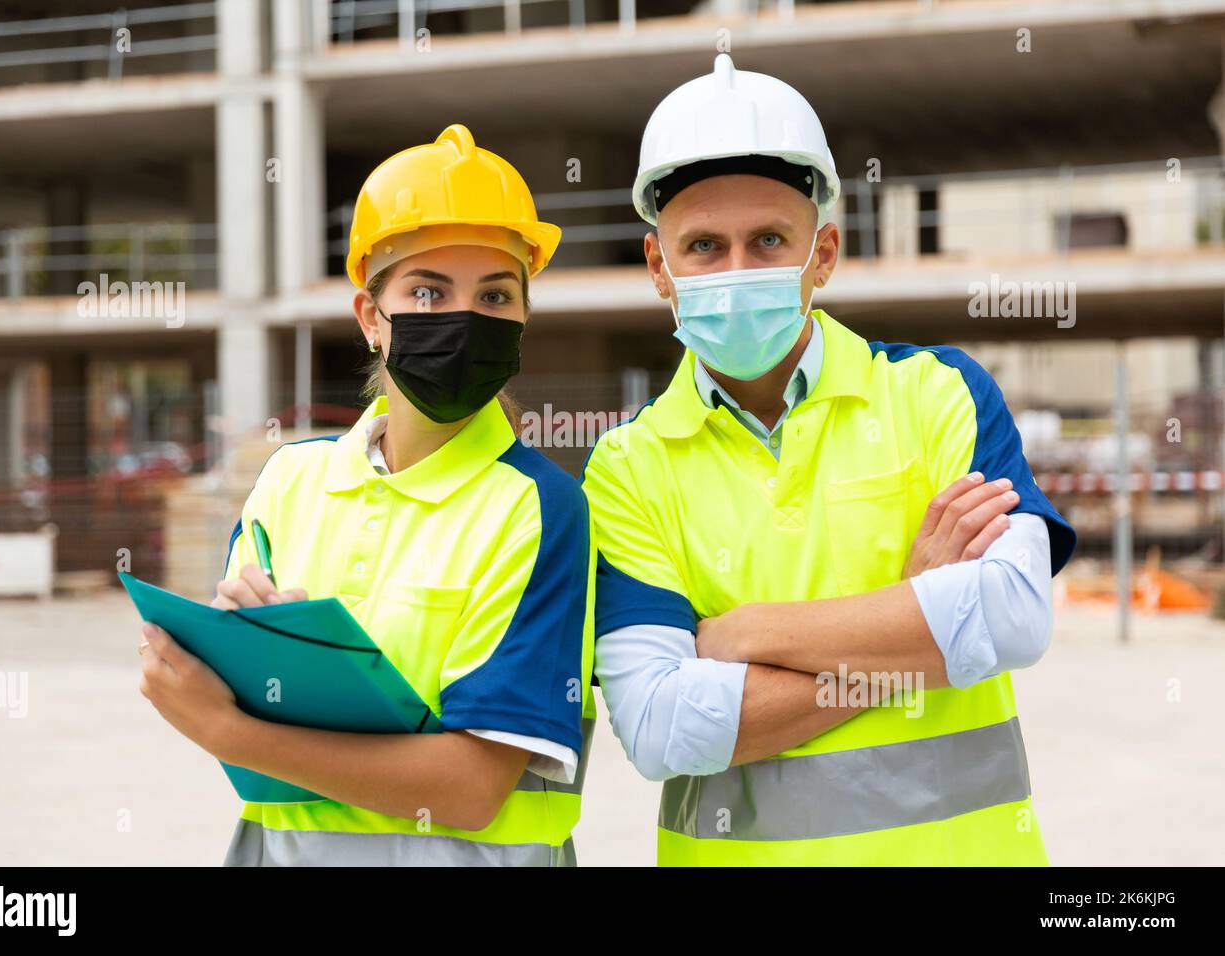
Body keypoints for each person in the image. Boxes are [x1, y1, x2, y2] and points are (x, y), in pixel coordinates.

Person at [583, 55, 1077, 865]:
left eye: (769, 239)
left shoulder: (939, 392)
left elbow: (1012, 617)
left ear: (824, 252)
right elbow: (662, 728)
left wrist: (746, 635)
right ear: (657, 267)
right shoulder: (625, 467)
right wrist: (914, 622)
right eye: (703, 245)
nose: (738, 271)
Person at [137, 124, 596, 866]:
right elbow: (231, 679)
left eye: (496, 293)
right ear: (369, 317)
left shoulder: (540, 510)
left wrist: (234, 726)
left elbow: (473, 788)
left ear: (522, 319)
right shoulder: (289, 482)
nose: (464, 317)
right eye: (426, 289)